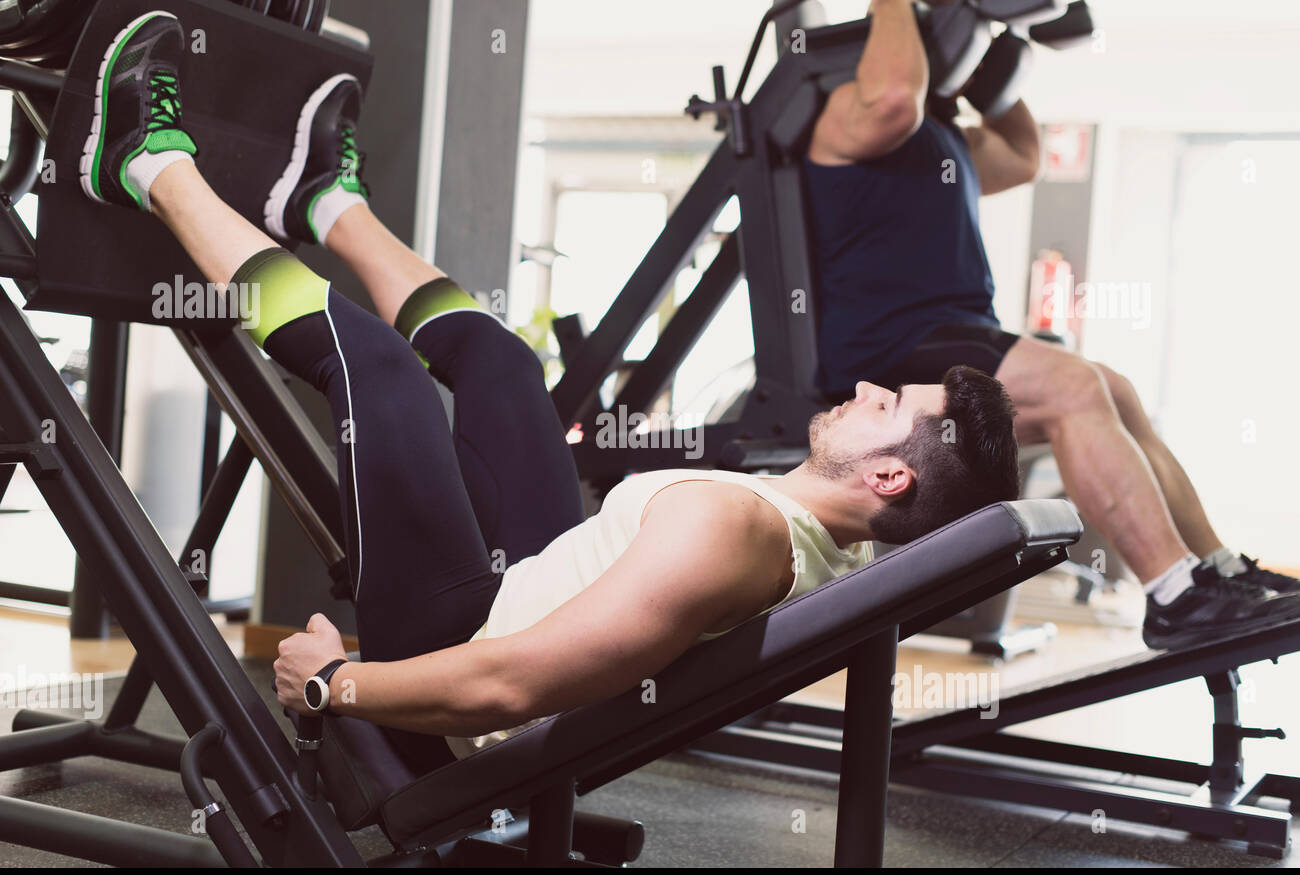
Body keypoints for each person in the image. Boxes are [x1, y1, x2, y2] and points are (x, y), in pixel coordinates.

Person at [83, 11, 1020, 765]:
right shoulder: (842, 545)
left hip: (452, 657)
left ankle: (143, 161)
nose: (864, 385)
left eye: (890, 405)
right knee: (502, 363)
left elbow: (507, 691)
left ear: (890, 479)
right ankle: (327, 200)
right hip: (526, 580)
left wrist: (336, 681)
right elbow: (945, 519)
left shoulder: (733, 531)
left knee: (374, 366)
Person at [804, 0, 1300, 651]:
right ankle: (1175, 595)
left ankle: (1216, 571)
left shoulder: (943, 137)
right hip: (890, 346)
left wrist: (989, 73)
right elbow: (896, 94)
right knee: (1073, 387)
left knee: (1110, 386)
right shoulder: (843, 119)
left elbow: (1022, 154)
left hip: (956, 332)